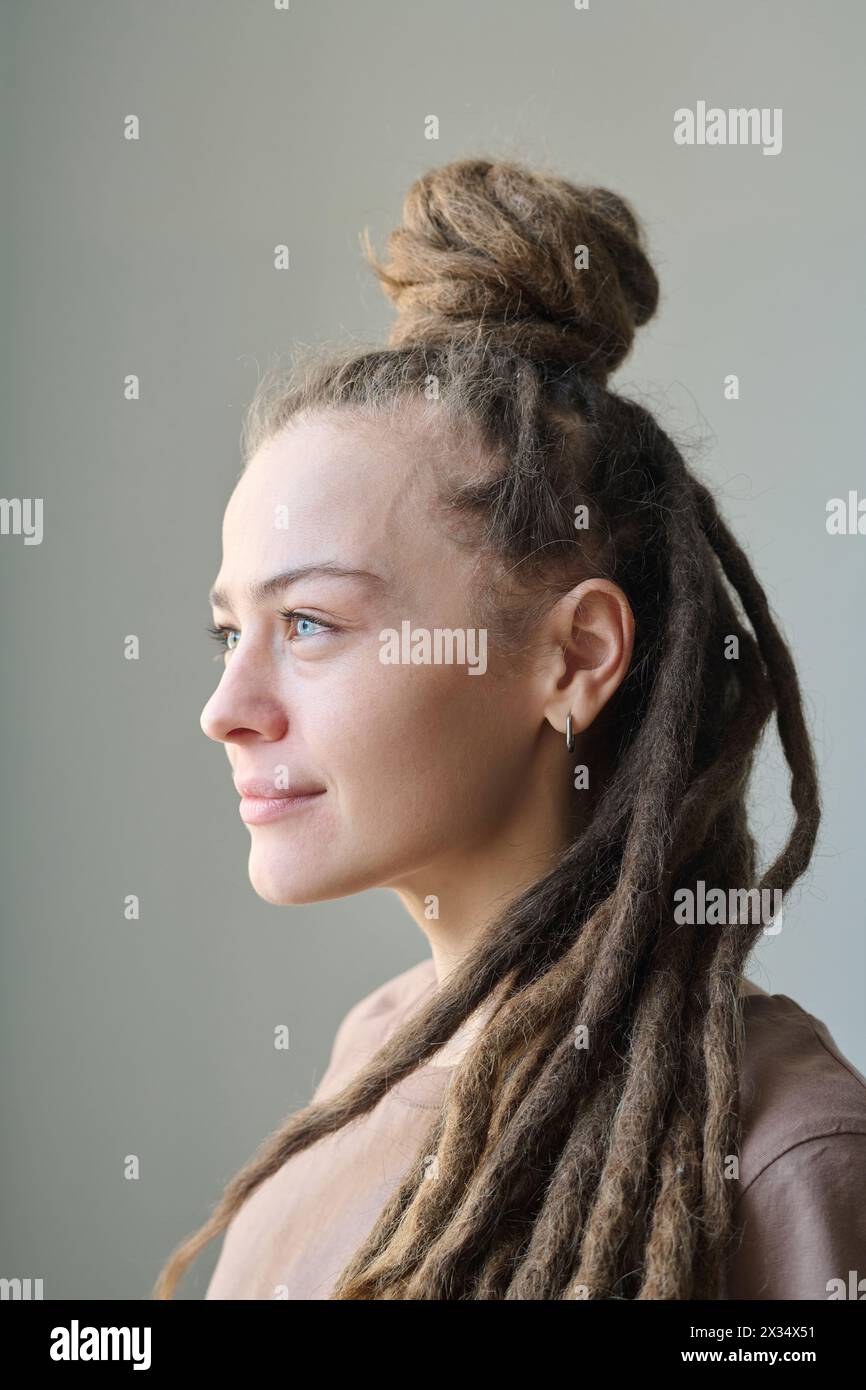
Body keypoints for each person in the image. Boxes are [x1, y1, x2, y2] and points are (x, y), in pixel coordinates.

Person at [154, 157, 866, 1300]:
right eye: (225, 630)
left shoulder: (785, 1158)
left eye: (308, 621)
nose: (225, 708)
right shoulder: (371, 1058)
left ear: (574, 657)